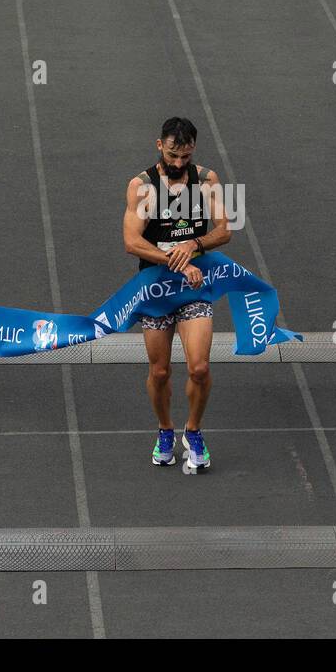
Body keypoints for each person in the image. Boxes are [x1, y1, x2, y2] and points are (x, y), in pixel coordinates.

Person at [122, 117, 231, 471]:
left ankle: (193, 431)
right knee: (160, 372)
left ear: (193, 149)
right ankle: (165, 429)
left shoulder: (208, 180)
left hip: (195, 288)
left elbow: (224, 230)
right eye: (172, 155)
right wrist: (176, 260)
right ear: (159, 146)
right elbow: (132, 242)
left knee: (199, 368)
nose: (179, 164)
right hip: (156, 288)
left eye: (185, 156)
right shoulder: (141, 187)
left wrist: (194, 243)